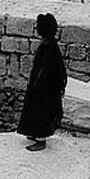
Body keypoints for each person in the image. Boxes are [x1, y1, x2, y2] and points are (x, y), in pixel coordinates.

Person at [17, 12, 67, 151]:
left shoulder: (49, 46)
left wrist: (36, 85)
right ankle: (33, 133)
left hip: (45, 88)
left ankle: (41, 140)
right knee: (34, 109)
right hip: (42, 86)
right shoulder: (49, 44)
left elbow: (46, 69)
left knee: (42, 111)